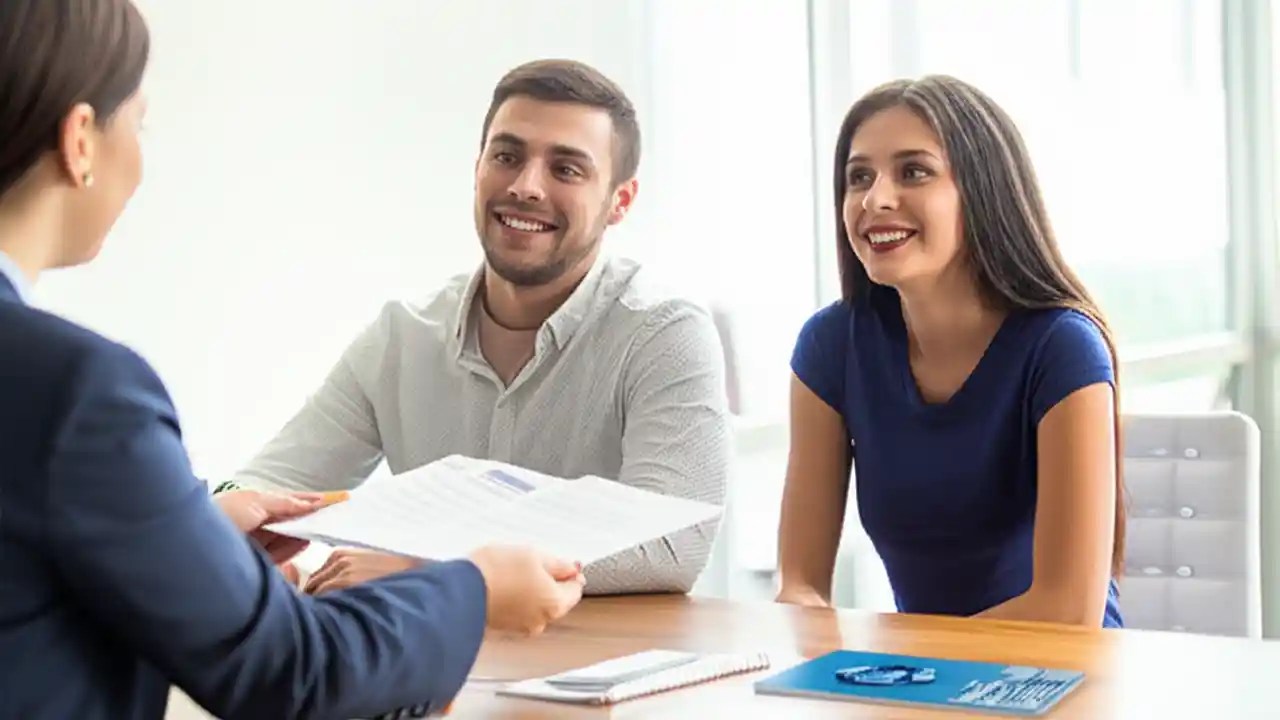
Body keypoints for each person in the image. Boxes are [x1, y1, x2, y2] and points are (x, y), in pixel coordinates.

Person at [0, 3, 583, 719]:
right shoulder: (79, 392)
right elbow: (293, 671)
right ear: (80, 140)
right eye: (139, 125)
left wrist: (193, 533)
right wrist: (473, 590)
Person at [218, 59, 732, 597]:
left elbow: (672, 547)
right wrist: (242, 537)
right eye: (507, 157)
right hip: (448, 647)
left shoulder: (665, 334)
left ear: (619, 202)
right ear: (478, 167)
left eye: (566, 169)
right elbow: (265, 489)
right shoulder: (402, 336)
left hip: (605, 649)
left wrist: (432, 571)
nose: (526, 187)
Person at [774, 75, 1125, 628]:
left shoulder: (1062, 348)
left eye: (914, 171)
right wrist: (803, 624)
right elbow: (800, 584)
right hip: (923, 672)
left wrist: (897, 657)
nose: (875, 199)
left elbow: (1067, 610)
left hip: (1053, 667)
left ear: (982, 191)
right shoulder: (830, 346)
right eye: (859, 177)